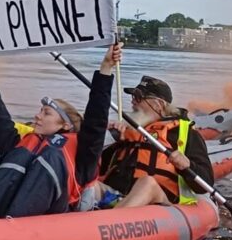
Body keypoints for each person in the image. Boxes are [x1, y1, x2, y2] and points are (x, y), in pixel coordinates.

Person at [0, 42, 119, 218]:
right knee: (19, 154)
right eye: (40, 111)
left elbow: (96, 118)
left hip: (49, 219)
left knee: (51, 156)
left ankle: (7, 225)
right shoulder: (22, 145)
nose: (38, 116)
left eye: (46, 113)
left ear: (65, 125)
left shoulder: (83, 154)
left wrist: (106, 68)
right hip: (5, 216)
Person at [87, 75, 215, 210]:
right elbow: (94, 165)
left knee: (147, 183)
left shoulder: (186, 134)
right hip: (118, 196)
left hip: (159, 203)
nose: (133, 102)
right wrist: (106, 136)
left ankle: (107, 224)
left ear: (159, 105)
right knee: (88, 184)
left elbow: (205, 184)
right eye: (133, 97)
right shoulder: (127, 131)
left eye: (139, 97)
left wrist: (187, 166)